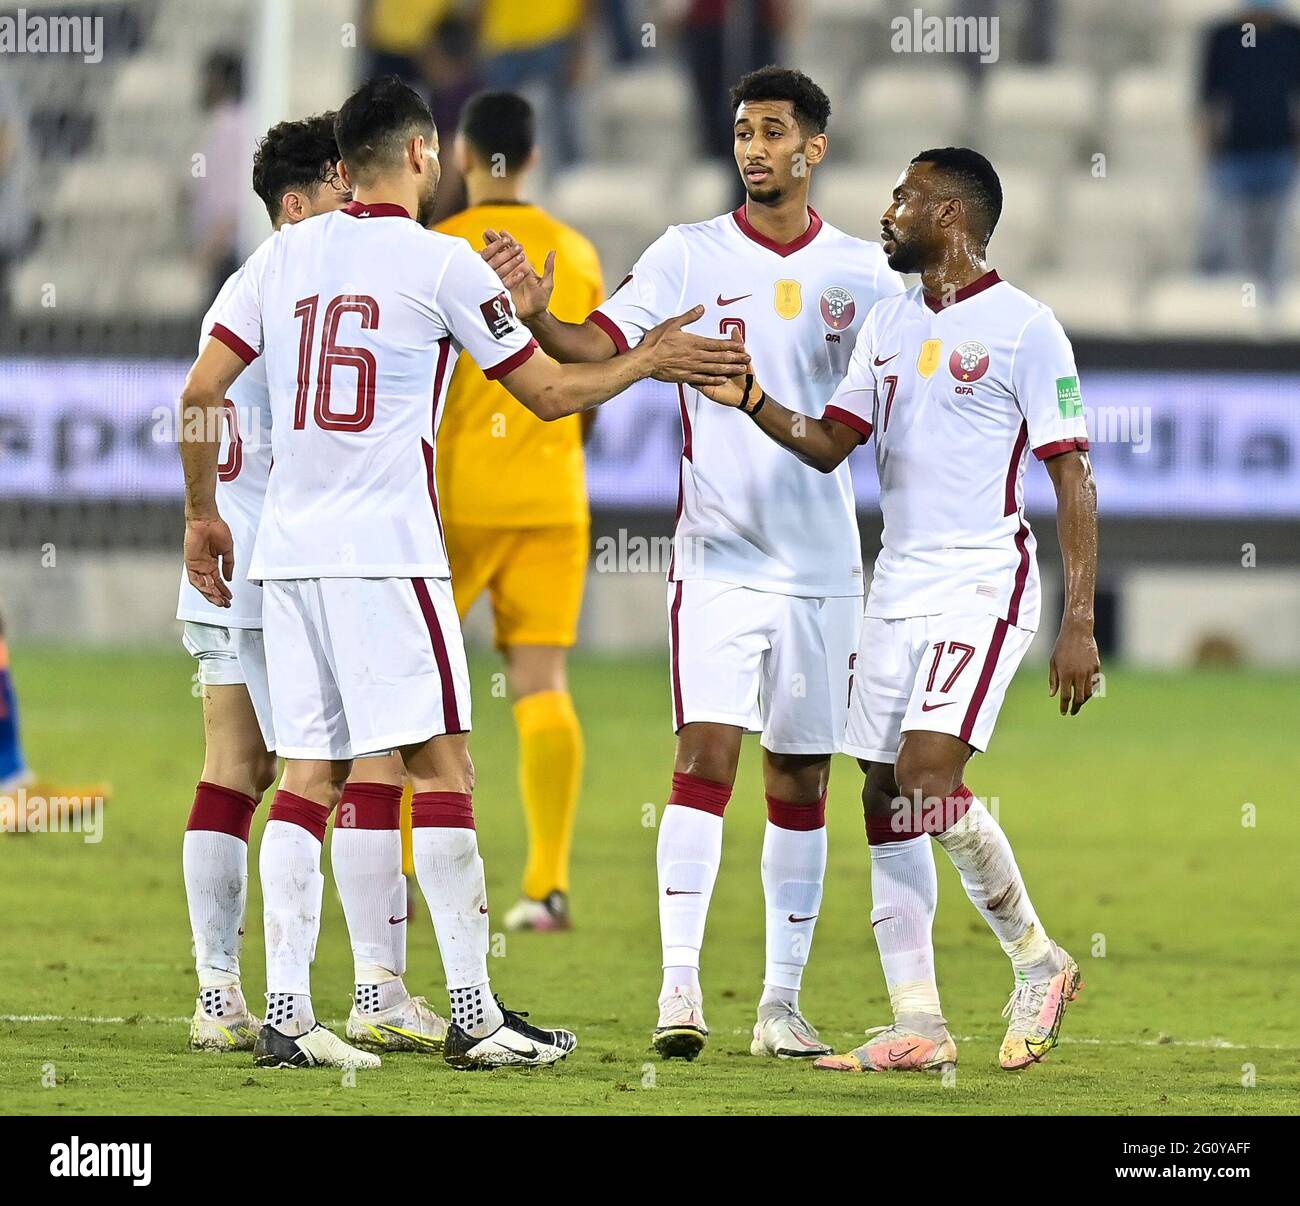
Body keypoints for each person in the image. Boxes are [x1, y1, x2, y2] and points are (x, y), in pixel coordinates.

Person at [178, 76, 748, 1070]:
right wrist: (648, 358)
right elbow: (552, 392)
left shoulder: (279, 258)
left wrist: (201, 514)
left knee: (306, 777)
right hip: (389, 554)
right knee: (442, 768)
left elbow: (201, 389)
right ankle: (476, 1016)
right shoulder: (441, 264)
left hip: (288, 559)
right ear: (420, 155)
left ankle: (285, 1013)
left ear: (340, 166)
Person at [483, 66, 905, 1061]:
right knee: (704, 755)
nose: (753, 147)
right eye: (742, 131)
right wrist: (541, 316)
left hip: (822, 566)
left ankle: (780, 1005)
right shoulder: (685, 254)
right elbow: (597, 341)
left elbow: (888, 409)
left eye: (772, 131)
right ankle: (679, 989)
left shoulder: (862, 271)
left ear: (813, 150)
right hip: (716, 557)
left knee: (800, 778)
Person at [698, 147, 1099, 1073]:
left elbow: (1072, 472)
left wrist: (1078, 620)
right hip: (900, 585)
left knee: (923, 779)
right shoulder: (885, 322)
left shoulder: (1027, 329)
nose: (888, 211)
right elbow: (830, 443)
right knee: (882, 794)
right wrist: (753, 398)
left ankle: (1038, 962)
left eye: (905, 198)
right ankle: (918, 1017)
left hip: (979, 583)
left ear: (950, 215)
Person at [363, 91, 604, 934]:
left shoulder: (434, 248)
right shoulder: (573, 251)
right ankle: (545, 887)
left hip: (449, 502)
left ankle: (391, 880)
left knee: (409, 692)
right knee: (541, 686)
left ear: (458, 157)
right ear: (532, 158)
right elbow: (588, 379)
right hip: (550, 498)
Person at [1197, 0, 1300, 294]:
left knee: (1276, 248)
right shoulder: (1223, 37)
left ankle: (1275, 323)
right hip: (1233, 158)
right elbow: (1207, 103)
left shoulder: (1292, 37)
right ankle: (1238, 317)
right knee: (1234, 251)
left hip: (1281, 157)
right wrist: (1209, 159)